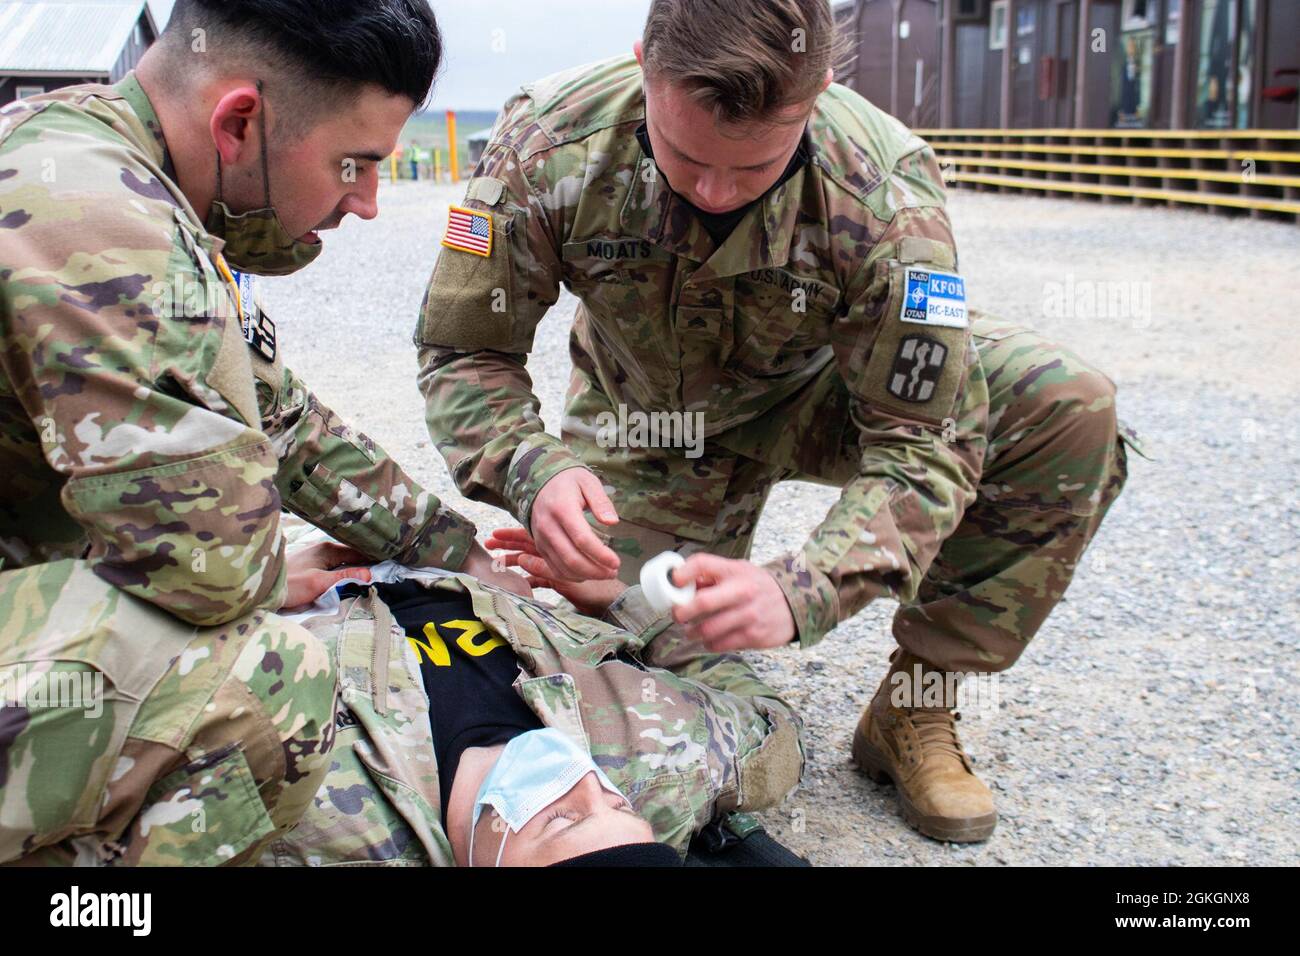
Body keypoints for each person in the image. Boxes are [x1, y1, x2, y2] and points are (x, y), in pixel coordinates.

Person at [415, 0, 1141, 843]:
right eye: (685, 157)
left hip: (824, 398)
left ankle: (917, 706)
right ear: (643, 61)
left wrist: (808, 589)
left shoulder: (883, 188)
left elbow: (928, 437)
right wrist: (531, 470)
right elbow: (465, 351)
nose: (715, 191)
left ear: (821, 90)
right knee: (623, 648)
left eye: (756, 168)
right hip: (648, 425)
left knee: (1065, 403)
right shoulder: (550, 144)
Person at [0, 0, 521, 867]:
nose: (366, 202)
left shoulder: (112, 163)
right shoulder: (95, 216)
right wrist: (266, 574)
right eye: (353, 164)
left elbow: (288, 423)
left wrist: (458, 553)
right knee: (267, 683)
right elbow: (212, 569)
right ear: (239, 123)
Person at [257, 525, 804, 867]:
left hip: (294, 569)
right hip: (460, 556)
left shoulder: (310, 816)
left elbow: (177, 698)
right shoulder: (674, 762)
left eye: (561, 819)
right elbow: (778, 732)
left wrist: (255, 587)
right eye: (619, 804)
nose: (586, 780)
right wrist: (616, 600)